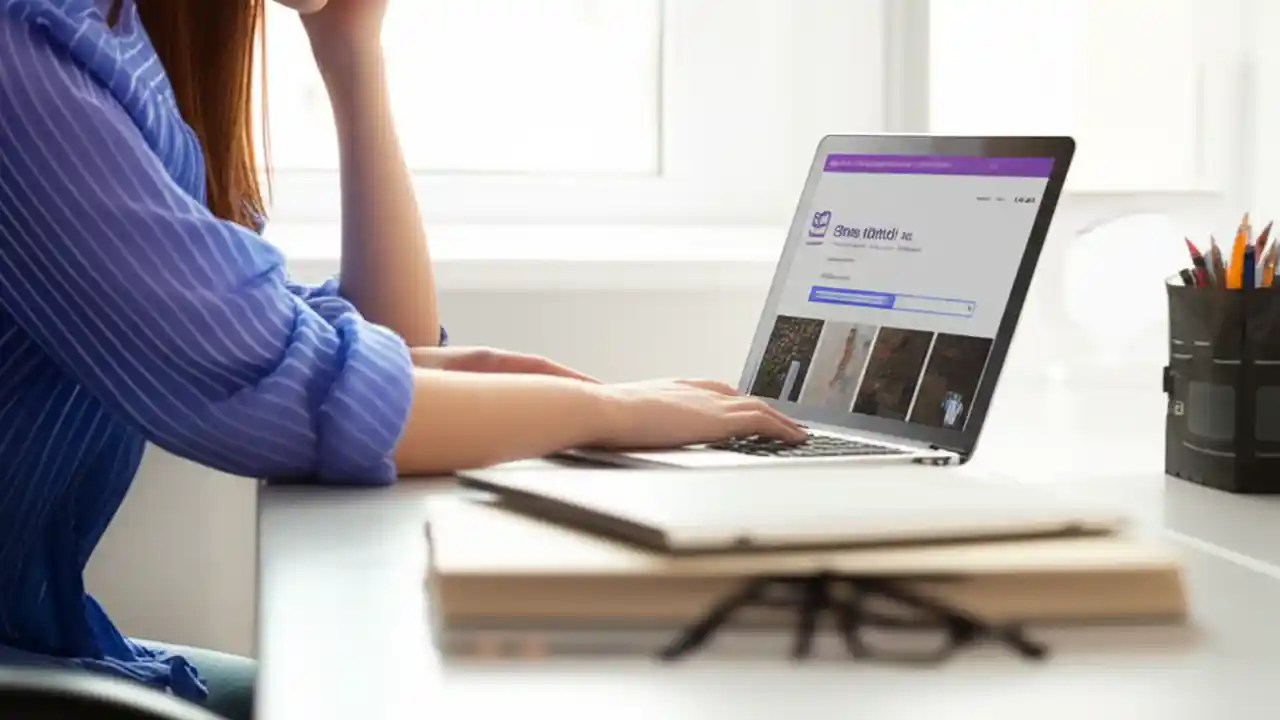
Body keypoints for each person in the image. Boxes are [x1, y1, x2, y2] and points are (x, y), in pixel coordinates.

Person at [0, 1, 805, 718]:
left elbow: (377, 347)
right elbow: (289, 393)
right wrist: (612, 413)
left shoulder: (115, 40)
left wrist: (353, 52)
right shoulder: (25, 57)